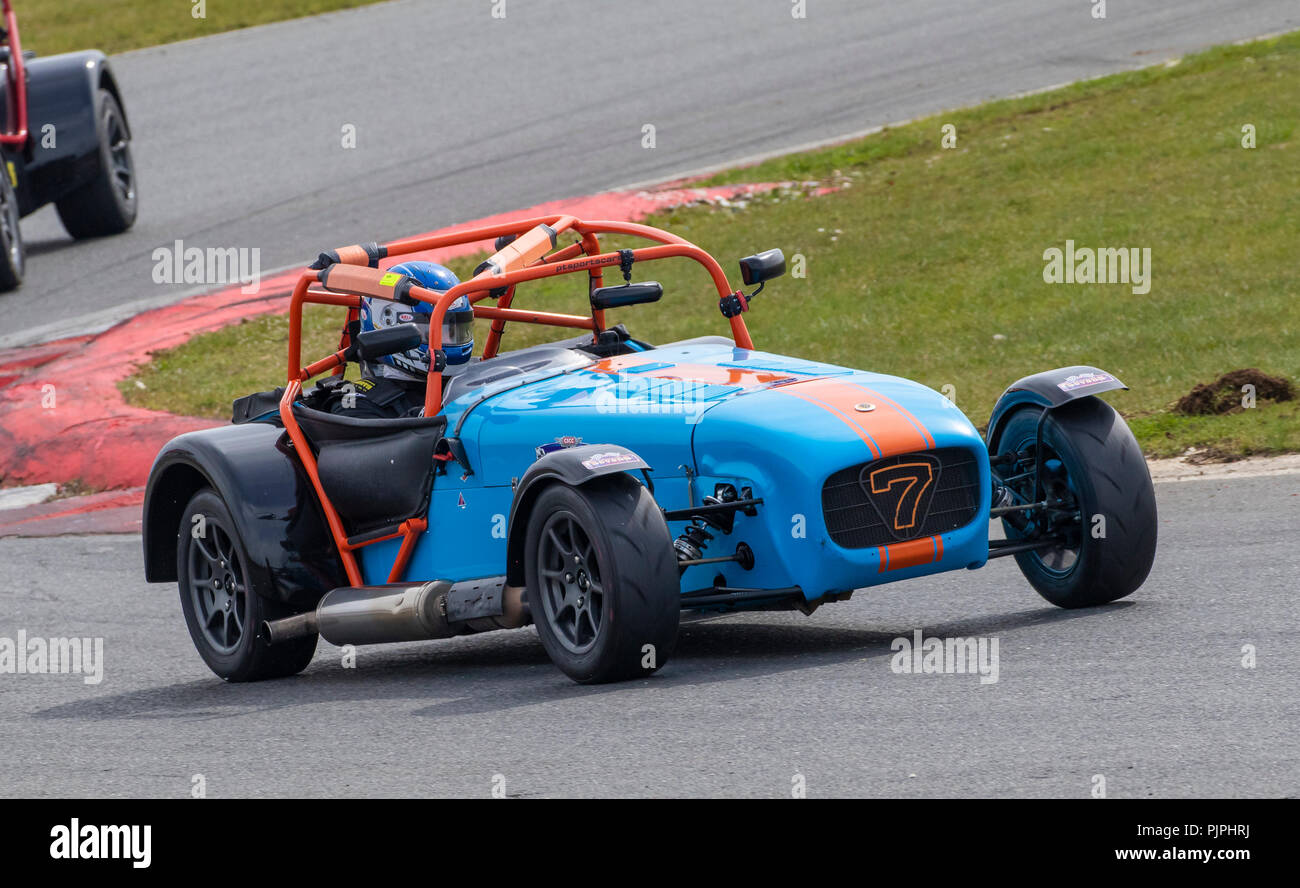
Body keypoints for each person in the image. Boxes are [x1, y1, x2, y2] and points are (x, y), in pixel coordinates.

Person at [326, 261, 474, 418]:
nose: (448, 339)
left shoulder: (471, 380)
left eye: (454, 331)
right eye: (435, 331)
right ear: (388, 325)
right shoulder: (355, 402)